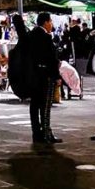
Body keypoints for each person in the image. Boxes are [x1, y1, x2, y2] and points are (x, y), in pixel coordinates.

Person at [29, 12, 62, 143]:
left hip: (34, 75)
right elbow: (51, 59)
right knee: (45, 106)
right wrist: (57, 76)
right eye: (51, 22)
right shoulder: (45, 37)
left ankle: (36, 132)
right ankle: (47, 134)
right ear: (46, 22)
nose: (51, 25)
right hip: (45, 75)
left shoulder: (31, 35)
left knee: (34, 104)